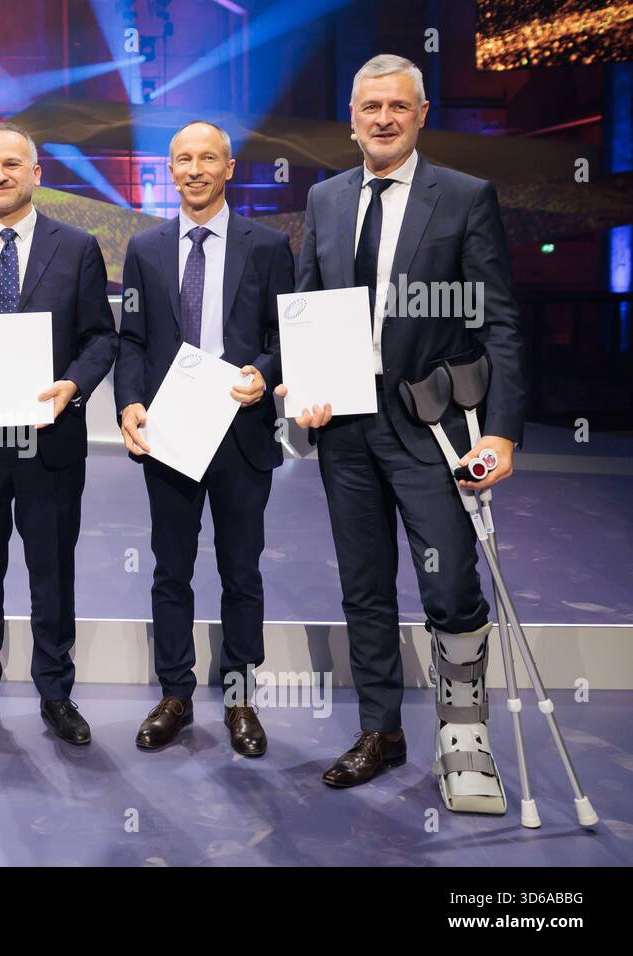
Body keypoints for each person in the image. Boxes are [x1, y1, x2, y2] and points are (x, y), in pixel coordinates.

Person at [281, 54, 525, 812]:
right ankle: (381, 733)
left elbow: (502, 324)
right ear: (351, 119)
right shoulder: (324, 198)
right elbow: (309, 305)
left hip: (436, 426)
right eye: (368, 107)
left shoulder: (463, 197)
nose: (382, 118)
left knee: (450, 582)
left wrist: (505, 434)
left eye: (397, 106)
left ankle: (465, 743)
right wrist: (302, 385)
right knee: (363, 586)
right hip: (346, 430)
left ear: (420, 115)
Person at [0, 123, 117, 747]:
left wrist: (75, 386)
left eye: (11, 165)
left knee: (51, 570)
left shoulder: (79, 246)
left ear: (37, 174)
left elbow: (100, 338)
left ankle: (56, 694)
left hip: (50, 436)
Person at [115, 120, 294, 754]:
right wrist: (129, 404)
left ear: (228, 169)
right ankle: (175, 694)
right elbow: (131, 340)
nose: (195, 168)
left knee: (241, 571)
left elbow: (283, 337)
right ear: (171, 169)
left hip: (242, 432)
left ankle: (242, 698)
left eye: (207, 158)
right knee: (172, 570)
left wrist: (264, 373)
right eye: (183, 159)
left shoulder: (268, 246)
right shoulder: (145, 247)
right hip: (170, 432)